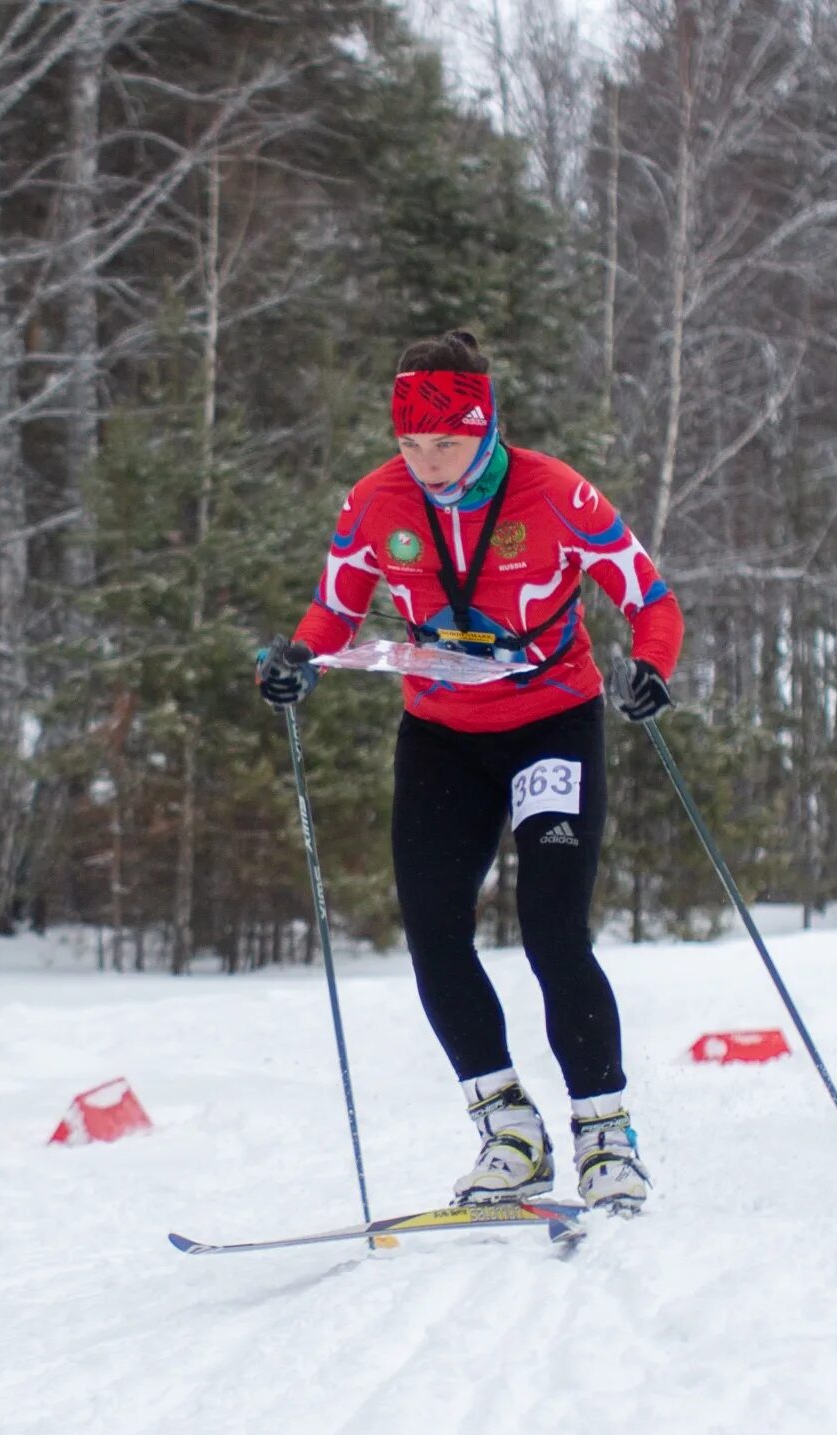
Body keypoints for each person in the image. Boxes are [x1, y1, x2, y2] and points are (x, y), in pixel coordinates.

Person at [255, 330, 684, 1209]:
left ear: (484, 427)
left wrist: (651, 666)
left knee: (552, 931)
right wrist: (298, 660)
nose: (427, 464)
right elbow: (333, 609)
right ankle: (509, 1131)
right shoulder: (375, 501)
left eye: (445, 443)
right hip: (442, 734)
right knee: (433, 931)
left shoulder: (554, 492)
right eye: (410, 444)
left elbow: (649, 596)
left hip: (552, 724)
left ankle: (606, 1135)